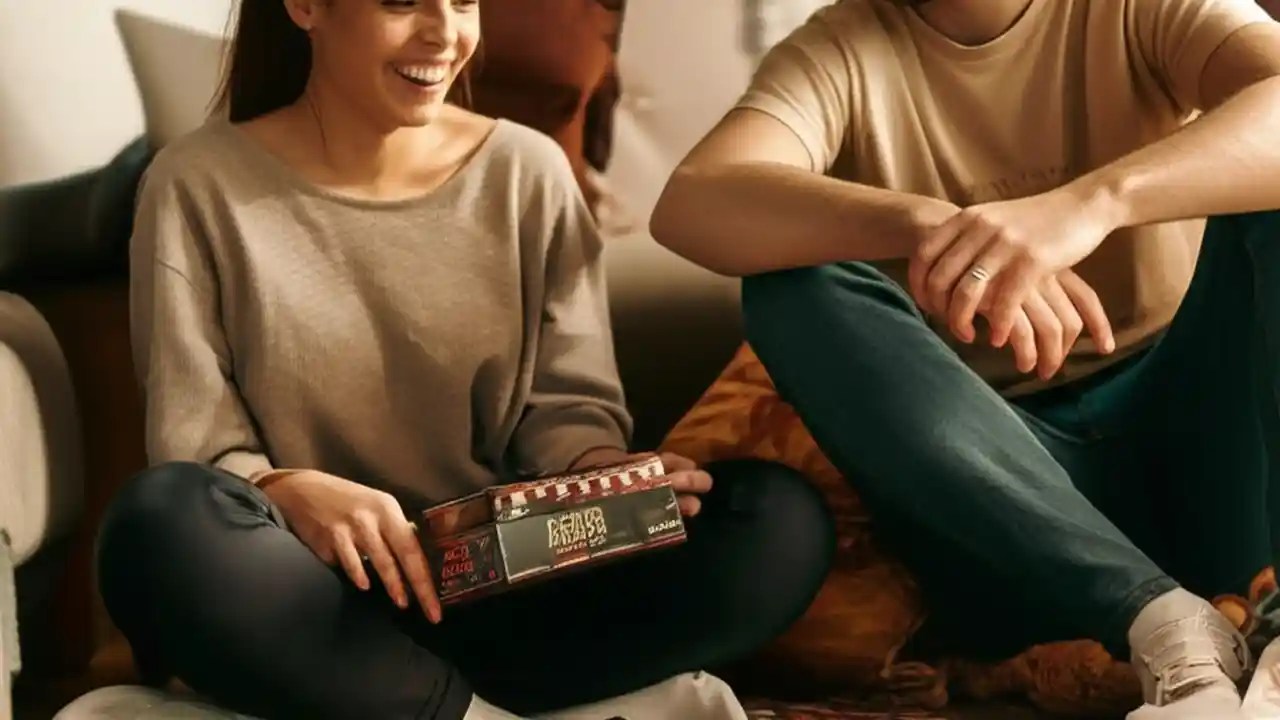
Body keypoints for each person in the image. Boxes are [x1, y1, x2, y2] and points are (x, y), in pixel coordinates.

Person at [94, 1, 837, 719]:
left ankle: (384, 696)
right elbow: (196, 443)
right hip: (306, 585)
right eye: (403, 3)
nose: (444, 35)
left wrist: (604, 476)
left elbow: (565, 408)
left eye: (463, 2)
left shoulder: (527, 170)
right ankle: (468, 710)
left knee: (774, 522)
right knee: (157, 524)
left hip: (505, 580)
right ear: (305, 5)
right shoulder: (194, 183)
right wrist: (288, 488)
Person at [649, 0, 1280, 717]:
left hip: (1215, 460)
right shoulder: (842, 48)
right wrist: (938, 227)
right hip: (1009, 504)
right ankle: (1167, 629)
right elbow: (690, 203)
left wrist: (1087, 205)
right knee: (789, 285)